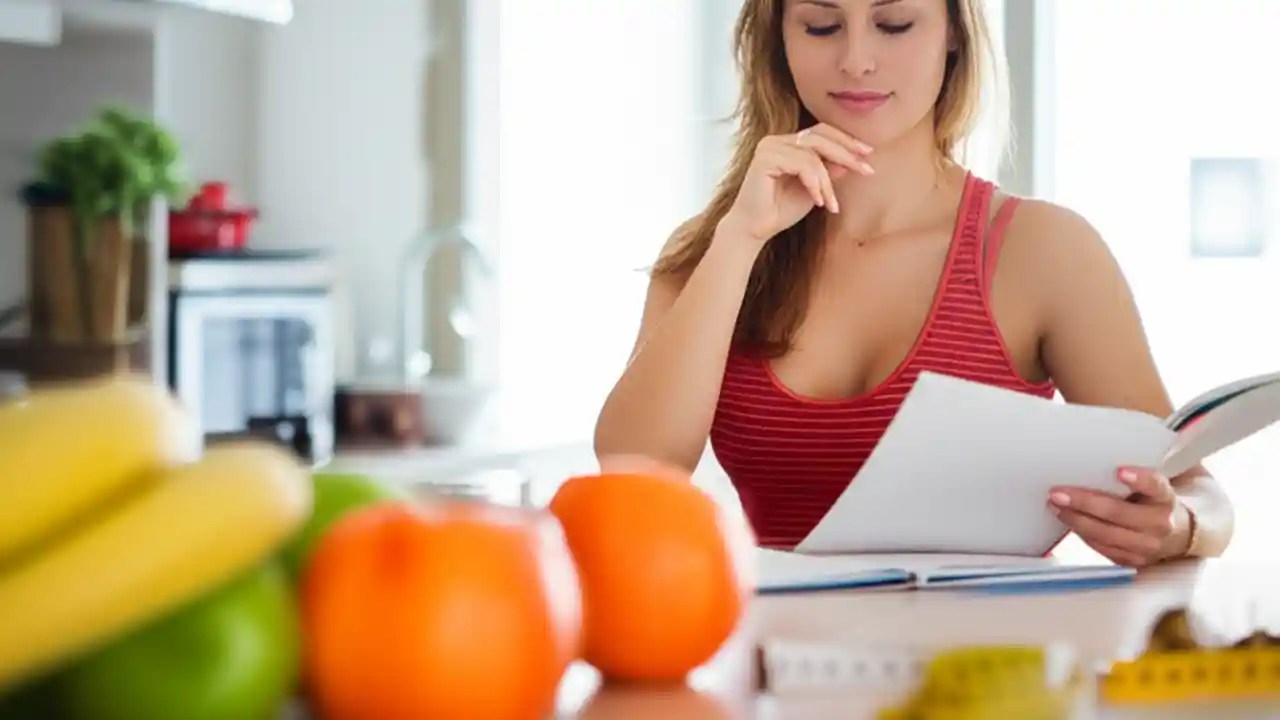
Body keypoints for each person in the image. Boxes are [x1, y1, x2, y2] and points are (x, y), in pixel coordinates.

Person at [593, 0, 1233, 567]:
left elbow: (1200, 493)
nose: (856, 60)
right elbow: (635, 471)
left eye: (894, 23)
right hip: (782, 677)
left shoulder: (1044, 251)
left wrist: (1180, 527)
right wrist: (738, 242)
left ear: (953, 31)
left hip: (992, 678)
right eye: (821, 26)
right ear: (779, 38)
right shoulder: (718, 249)